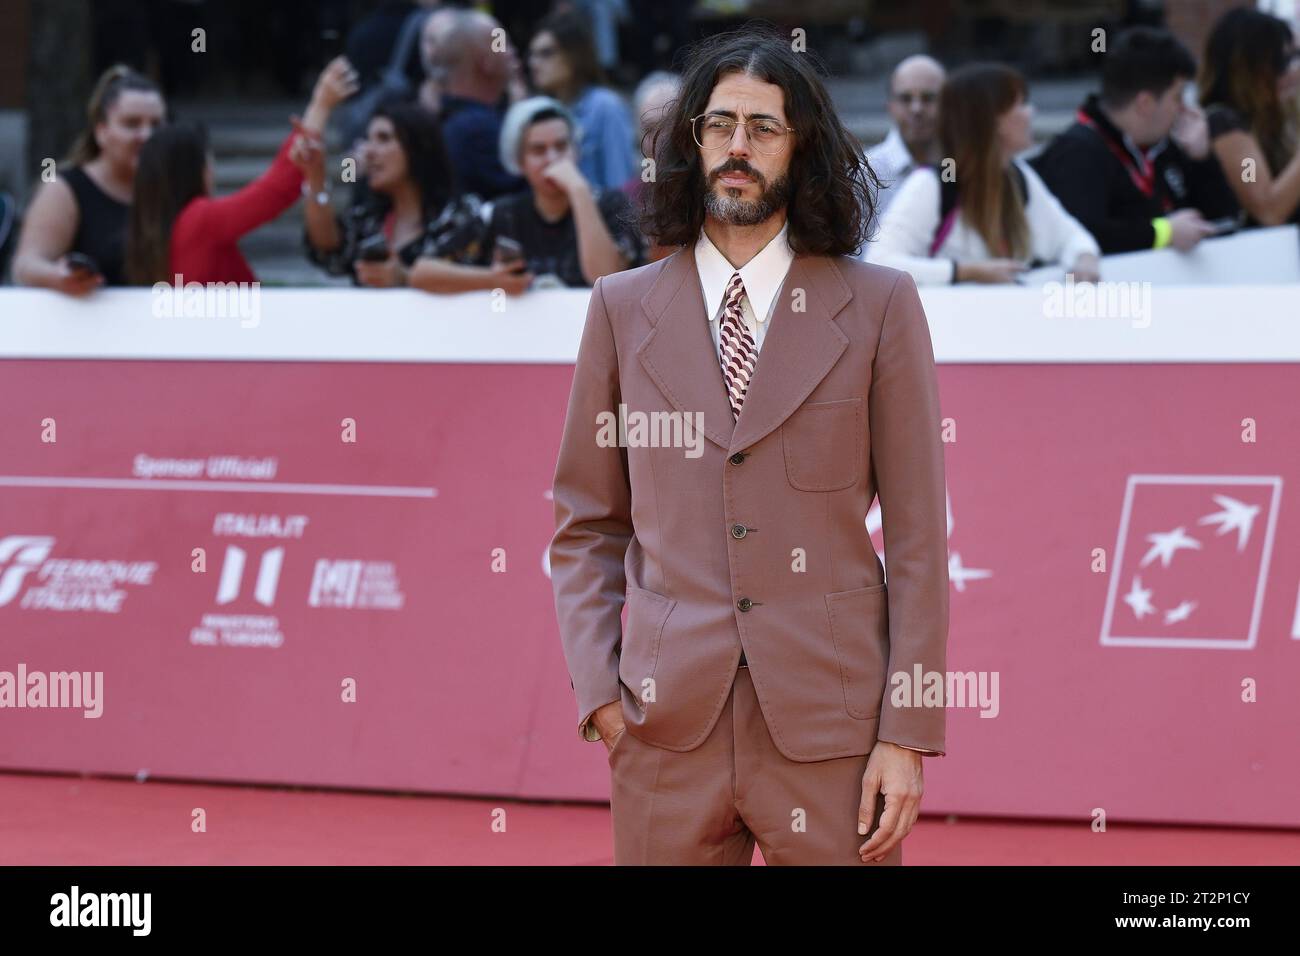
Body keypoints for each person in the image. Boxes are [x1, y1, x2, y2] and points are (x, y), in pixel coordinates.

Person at [550, 24, 947, 866]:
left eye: (763, 128)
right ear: (691, 144)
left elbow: (918, 542)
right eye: (719, 125)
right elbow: (586, 522)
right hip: (663, 731)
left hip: (832, 732)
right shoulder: (621, 309)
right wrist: (602, 699)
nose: (738, 146)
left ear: (801, 150)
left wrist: (906, 734)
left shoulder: (879, 306)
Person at [124, 58, 357, 286]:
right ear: (196, 170)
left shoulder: (148, 229)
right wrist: (321, 105)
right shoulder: (199, 221)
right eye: (209, 162)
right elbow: (277, 189)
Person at [868, 63, 1100, 284]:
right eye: (1021, 104)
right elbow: (879, 263)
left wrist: (1084, 258)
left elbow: (1070, 236)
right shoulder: (932, 185)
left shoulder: (1018, 175)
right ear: (993, 120)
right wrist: (964, 272)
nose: (1031, 112)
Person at [1031, 26, 1237, 254]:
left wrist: (1202, 159)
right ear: (1145, 104)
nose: (1184, 109)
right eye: (1177, 97)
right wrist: (1162, 233)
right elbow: (1080, 235)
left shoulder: (1166, 146)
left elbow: (1225, 220)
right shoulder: (1078, 152)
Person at [302, 102, 524, 295]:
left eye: (384, 138)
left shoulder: (461, 215)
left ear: (417, 148)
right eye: (368, 140)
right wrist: (315, 175)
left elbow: (481, 279)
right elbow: (327, 246)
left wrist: (405, 278)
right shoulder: (369, 220)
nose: (369, 152)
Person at [13, 65, 165, 293]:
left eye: (156, 124)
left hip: (168, 324)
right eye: (132, 123)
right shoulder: (65, 188)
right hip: (85, 325)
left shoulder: (175, 186)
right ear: (101, 131)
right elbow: (25, 266)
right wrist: (58, 276)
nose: (146, 135)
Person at [479, 96, 643, 288]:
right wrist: (489, 279)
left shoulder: (612, 204)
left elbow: (604, 278)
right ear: (519, 161)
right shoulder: (504, 214)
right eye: (539, 150)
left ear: (576, 150)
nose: (553, 159)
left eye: (562, 146)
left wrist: (578, 190)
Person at [1200, 7, 1300, 226]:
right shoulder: (1226, 125)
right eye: (1282, 62)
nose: (1294, 71)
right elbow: (1267, 209)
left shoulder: (1274, 118)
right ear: (1250, 69)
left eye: (1296, 57)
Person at [527, 10, 638, 191]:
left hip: (600, 215)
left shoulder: (605, 107)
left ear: (573, 55)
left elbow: (621, 187)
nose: (534, 63)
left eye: (546, 53)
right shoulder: (540, 109)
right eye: (532, 54)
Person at [429, 8, 527, 200]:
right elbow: (531, 198)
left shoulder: (451, 118)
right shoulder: (476, 130)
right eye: (501, 43)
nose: (512, 52)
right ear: (486, 62)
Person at [866, 55, 945, 217]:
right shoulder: (867, 174)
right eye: (905, 98)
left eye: (928, 98)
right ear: (890, 106)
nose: (917, 109)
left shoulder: (968, 165)